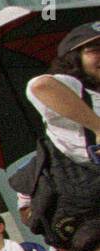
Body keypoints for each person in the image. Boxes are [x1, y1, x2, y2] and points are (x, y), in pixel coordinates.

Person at [26, 22, 100, 166]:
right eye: (95, 50)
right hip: (82, 182)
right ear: (74, 59)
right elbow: (41, 85)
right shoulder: (72, 87)